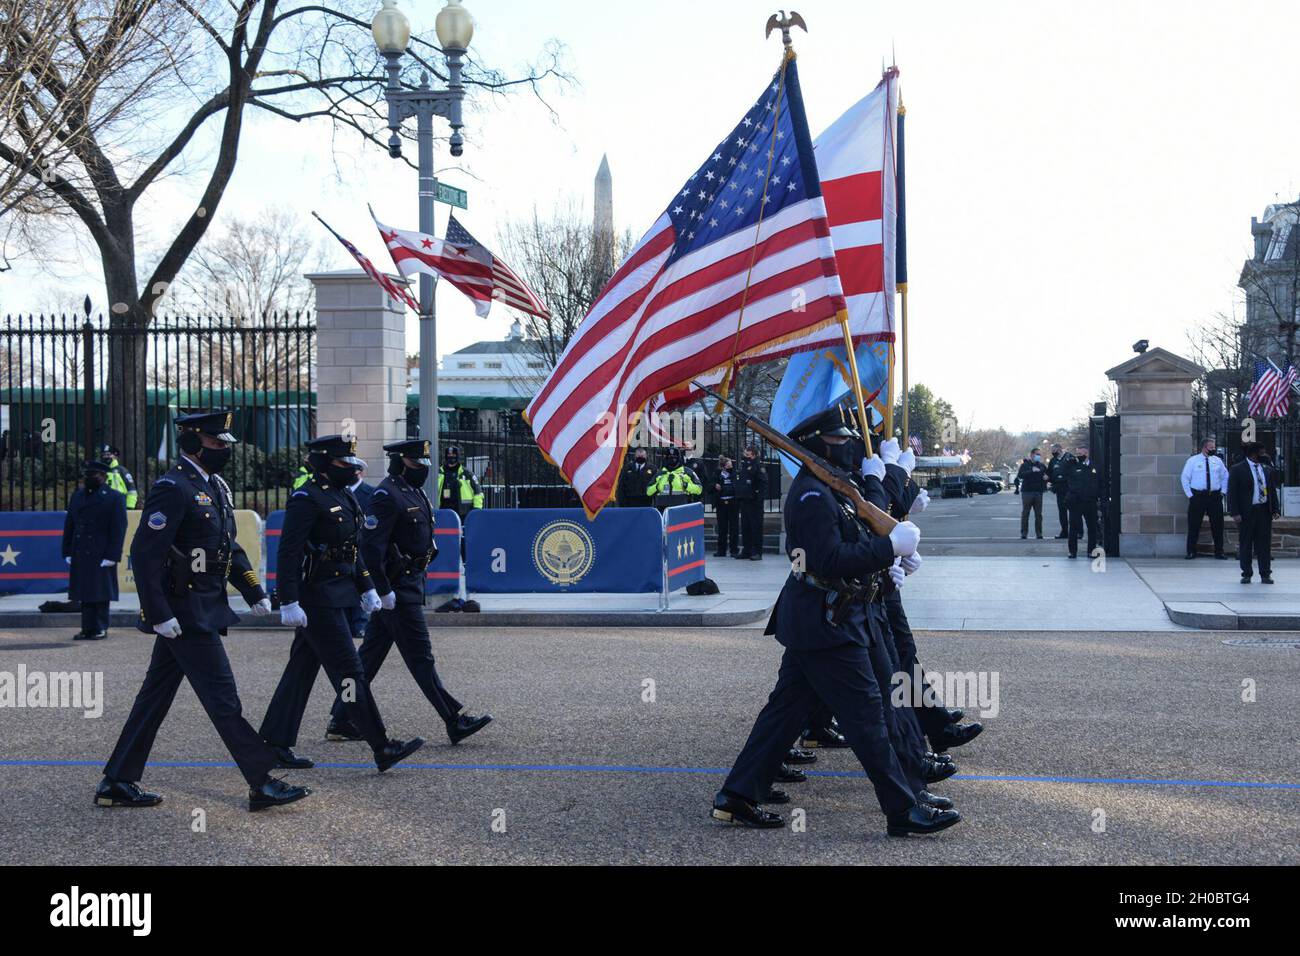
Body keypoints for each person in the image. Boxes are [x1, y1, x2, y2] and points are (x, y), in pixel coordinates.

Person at [710, 406, 960, 837]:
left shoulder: (834, 491)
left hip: (840, 617)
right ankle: (904, 810)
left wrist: (890, 559)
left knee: (785, 714)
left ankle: (738, 795)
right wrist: (888, 551)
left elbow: (858, 536)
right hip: (828, 623)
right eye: (840, 439)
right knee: (870, 719)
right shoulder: (810, 495)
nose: (849, 445)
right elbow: (826, 559)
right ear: (817, 445)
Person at [96, 410, 309, 812]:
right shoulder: (173, 488)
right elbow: (144, 554)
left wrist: (253, 591)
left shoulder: (215, 486)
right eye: (215, 444)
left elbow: (227, 547)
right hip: (184, 612)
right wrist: (158, 613)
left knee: (153, 698)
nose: (223, 451)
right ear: (193, 444)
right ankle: (261, 781)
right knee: (223, 700)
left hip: (203, 607)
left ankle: (117, 780)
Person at [258, 434, 425, 774]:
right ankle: (380, 744)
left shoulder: (342, 497)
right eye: (342, 463)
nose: (349, 469)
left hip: (338, 595)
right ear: (322, 463)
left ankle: (273, 743)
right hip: (317, 600)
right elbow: (289, 552)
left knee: (300, 672)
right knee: (350, 674)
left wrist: (366, 587)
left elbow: (352, 549)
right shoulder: (306, 498)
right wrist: (287, 599)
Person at [325, 439, 493, 745]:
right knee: (421, 658)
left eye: (425, 465)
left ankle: (342, 718)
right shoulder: (385, 495)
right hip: (398, 590)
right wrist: (384, 590)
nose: (423, 471)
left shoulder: (411, 491)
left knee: (366, 661)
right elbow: (371, 548)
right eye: (417, 465)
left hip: (411, 582)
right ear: (400, 462)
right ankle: (453, 719)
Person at [62, 459, 127, 641]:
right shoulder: (78, 496)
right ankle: (87, 627)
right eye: (87, 475)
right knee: (84, 591)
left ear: (103, 477)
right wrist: (67, 550)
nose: (89, 478)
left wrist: (113, 554)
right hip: (81, 550)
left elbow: (118, 528)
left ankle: (100, 627)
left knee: (99, 591)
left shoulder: (114, 497)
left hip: (101, 550)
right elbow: (70, 525)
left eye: (94, 475)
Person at [1228, 442, 1279, 584]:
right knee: (1246, 543)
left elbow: (1272, 490)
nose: (1264, 456)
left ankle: (1265, 573)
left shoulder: (1266, 469)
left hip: (1263, 511)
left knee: (1264, 544)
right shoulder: (1238, 469)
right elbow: (1232, 493)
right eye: (1261, 453)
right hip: (1246, 512)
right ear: (1253, 454)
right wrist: (1235, 512)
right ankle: (1246, 573)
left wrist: (1275, 509)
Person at [1180, 437, 1229, 560]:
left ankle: (1219, 551)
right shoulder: (1193, 461)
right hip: (1198, 497)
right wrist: (1190, 495)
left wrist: (1222, 492)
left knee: (1218, 525)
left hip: (1214, 496)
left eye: (1214, 447)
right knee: (1194, 525)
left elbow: (1225, 477)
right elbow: (1185, 478)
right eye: (1211, 448)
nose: (1213, 449)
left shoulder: (1217, 461)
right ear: (1204, 447)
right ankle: (1191, 551)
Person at [346, 463, 376, 639]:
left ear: (359, 471)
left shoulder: (371, 493)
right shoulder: (338, 491)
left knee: (361, 584)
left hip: (363, 546)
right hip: (343, 546)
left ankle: (360, 623)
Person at [1064, 445, 1100, 559]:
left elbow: (1100, 483)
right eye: (1077, 454)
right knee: (1073, 528)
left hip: (1090, 501)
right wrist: (1069, 463)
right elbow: (1065, 476)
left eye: (1081, 454)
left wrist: (1101, 499)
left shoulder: (1095, 466)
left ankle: (1091, 551)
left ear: (1086, 454)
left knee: (1092, 527)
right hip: (1076, 501)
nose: (1078, 456)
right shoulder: (1073, 466)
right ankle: (1072, 551)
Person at [735, 443, 768, 560]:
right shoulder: (744, 465)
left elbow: (763, 483)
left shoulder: (759, 466)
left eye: (747, 454)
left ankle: (756, 552)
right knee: (746, 527)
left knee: (756, 527)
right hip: (745, 501)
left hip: (754, 502)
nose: (745, 456)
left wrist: (759, 499)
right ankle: (746, 550)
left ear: (753, 455)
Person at [437, 444, 484, 520]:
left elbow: (478, 493)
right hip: (443, 511)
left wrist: (477, 510)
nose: (451, 456)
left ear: (457, 456)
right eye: (449, 454)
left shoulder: (467, 474)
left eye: (453, 454)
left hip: (463, 513)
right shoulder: (439, 473)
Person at [649, 446, 702, 510]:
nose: (672, 459)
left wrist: (686, 486)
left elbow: (699, 489)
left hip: (681, 508)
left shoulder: (687, 472)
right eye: (669, 457)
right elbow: (648, 491)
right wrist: (657, 487)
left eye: (675, 457)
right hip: (662, 509)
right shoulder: (660, 473)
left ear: (679, 458)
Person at [1016, 449, 1049, 540]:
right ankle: (1024, 533)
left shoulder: (1042, 466)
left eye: (1039, 454)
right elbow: (1020, 475)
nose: (1039, 456)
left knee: (1038, 514)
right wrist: (1031, 470)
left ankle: (1039, 533)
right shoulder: (1025, 465)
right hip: (1027, 492)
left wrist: (1047, 477)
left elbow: (1047, 475)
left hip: (1038, 492)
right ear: (1031, 455)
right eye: (1037, 454)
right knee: (1025, 513)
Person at [712, 454, 740, 558]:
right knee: (722, 528)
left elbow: (737, 485)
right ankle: (721, 550)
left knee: (734, 528)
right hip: (721, 504)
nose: (730, 467)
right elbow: (710, 485)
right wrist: (715, 485)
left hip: (733, 503)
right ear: (723, 466)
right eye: (728, 466)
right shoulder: (717, 474)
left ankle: (734, 550)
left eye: (731, 465)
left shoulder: (735, 473)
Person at [100, 442, 138, 508]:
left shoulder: (122, 471)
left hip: (119, 505)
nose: (106, 457)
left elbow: (131, 490)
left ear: (115, 456)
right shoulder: (100, 471)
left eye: (108, 454)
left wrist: (129, 506)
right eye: (104, 455)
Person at [1047, 444, 1073, 539]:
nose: (1052, 452)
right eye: (1052, 450)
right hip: (1059, 488)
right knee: (1062, 511)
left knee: (1073, 511)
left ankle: (1078, 531)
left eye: (1054, 450)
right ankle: (1064, 532)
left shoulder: (1069, 457)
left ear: (1059, 449)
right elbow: (1049, 473)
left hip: (1070, 488)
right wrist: (1047, 479)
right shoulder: (1053, 461)